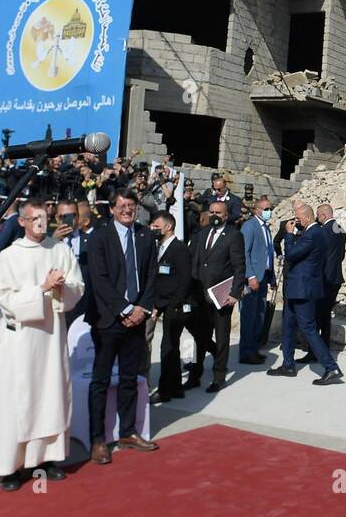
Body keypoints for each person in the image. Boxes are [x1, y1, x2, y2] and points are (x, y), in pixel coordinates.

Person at [0, 199, 84, 490]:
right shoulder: (9, 256)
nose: (41, 223)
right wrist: (42, 290)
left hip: (50, 336)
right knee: (16, 399)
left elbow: (77, 286)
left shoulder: (59, 250)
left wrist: (62, 288)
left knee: (50, 396)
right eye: (34, 218)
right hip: (20, 339)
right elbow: (4, 299)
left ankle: (45, 459)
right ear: (21, 221)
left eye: (44, 218)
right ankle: (9, 465)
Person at [84, 189, 159, 465]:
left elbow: (151, 275)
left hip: (137, 321)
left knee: (130, 379)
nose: (127, 209)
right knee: (100, 382)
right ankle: (97, 440)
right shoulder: (99, 237)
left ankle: (127, 432)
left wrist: (142, 309)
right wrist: (125, 309)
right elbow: (99, 280)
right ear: (113, 209)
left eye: (131, 205)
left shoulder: (146, 236)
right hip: (108, 320)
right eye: (122, 205)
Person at [267, 201, 342, 383]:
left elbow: (292, 254)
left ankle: (331, 367)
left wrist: (290, 235)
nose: (296, 221)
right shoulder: (314, 232)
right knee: (288, 325)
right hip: (297, 287)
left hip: (303, 288)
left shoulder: (313, 234)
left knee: (308, 328)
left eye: (298, 218)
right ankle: (288, 364)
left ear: (307, 217)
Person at [189, 199, 246, 392]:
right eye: (212, 212)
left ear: (226, 216)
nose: (214, 215)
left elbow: (239, 267)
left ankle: (219, 376)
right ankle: (194, 375)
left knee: (221, 338)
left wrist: (234, 293)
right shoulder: (202, 233)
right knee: (198, 337)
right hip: (199, 295)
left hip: (221, 296)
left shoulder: (234, 236)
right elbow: (196, 261)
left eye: (218, 213)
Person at [147, 211, 203, 403]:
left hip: (176, 306)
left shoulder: (178, 249)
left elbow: (185, 278)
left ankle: (164, 390)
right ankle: (176, 387)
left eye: (156, 225)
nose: (153, 229)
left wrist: (176, 303)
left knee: (168, 348)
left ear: (168, 226)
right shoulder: (159, 248)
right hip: (164, 302)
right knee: (172, 348)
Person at [306, 202, 346, 360]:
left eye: (318, 215)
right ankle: (324, 348)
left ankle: (315, 352)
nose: (317, 218)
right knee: (325, 316)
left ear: (322, 215)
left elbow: (317, 256)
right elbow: (341, 255)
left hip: (323, 278)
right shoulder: (341, 230)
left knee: (316, 316)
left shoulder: (322, 232)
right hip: (335, 277)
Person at [239, 196, 275, 365]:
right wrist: (250, 276)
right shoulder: (250, 226)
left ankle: (254, 349)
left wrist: (272, 277)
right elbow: (244, 253)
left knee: (259, 315)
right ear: (256, 210)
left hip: (264, 278)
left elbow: (267, 253)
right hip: (253, 279)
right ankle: (246, 352)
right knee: (249, 315)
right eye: (266, 209)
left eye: (270, 208)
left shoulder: (265, 228)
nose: (269, 212)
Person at [62, 201, 97, 325]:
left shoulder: (91, 241)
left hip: (81, 303)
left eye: (76, 216)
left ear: (85, 222)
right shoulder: (54, 238)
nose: (70, 220)